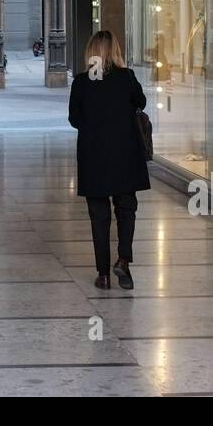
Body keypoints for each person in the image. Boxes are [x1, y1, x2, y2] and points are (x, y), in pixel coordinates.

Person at [67, 29, 148, 291]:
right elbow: (141, 102)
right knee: (126, 209)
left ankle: (103, 275)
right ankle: (123, 261)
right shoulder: (126, 78)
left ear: (91, 52)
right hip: (125, 155)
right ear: (114, 51)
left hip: (94, 157)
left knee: (98, 215)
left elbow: (74, 120)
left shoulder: (81, 82)